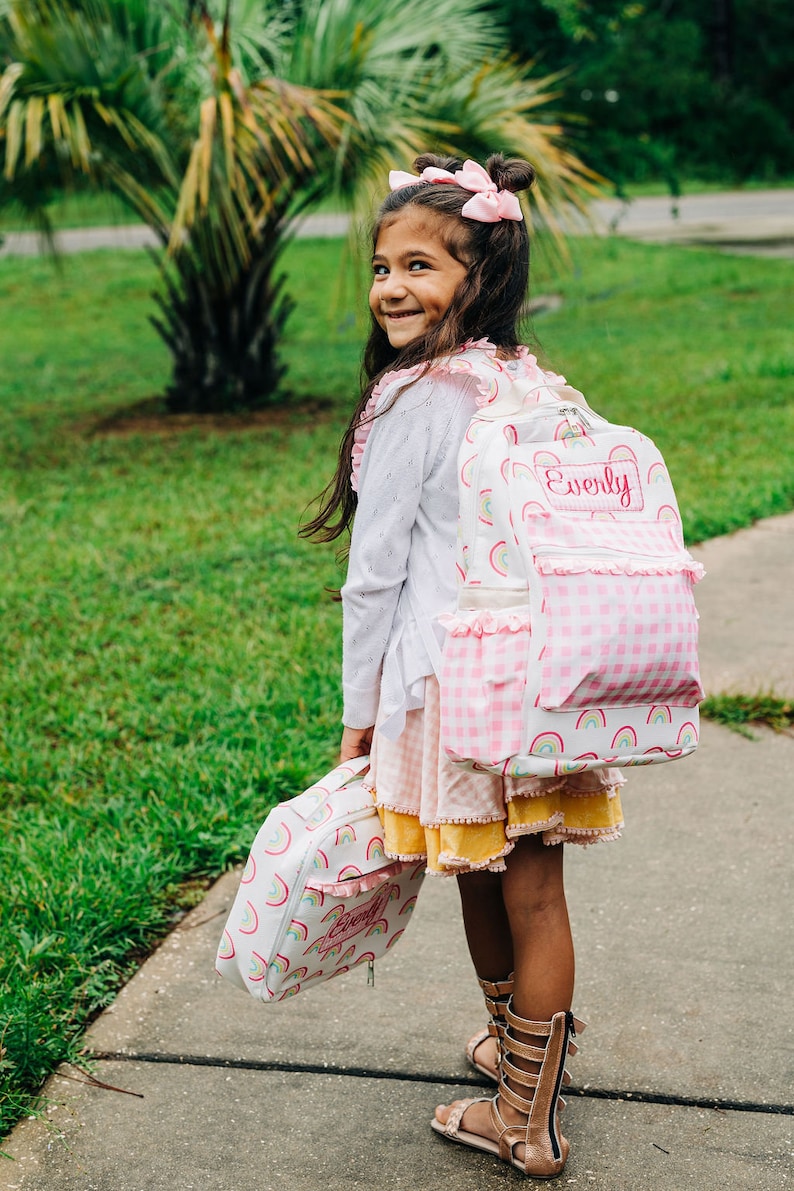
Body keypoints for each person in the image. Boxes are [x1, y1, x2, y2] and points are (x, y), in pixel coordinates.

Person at [303, 153, 626, 1179]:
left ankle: (523, 1122)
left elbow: (373, 577)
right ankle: (522, 1073)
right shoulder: (528, 377)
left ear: (472, 277)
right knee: (525, 884)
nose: (389, 287)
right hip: (543, 675)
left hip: (451, 687)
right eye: (380, 265)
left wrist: (358, 713)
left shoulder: (414, 398)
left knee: (493, 886)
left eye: (417, 267)